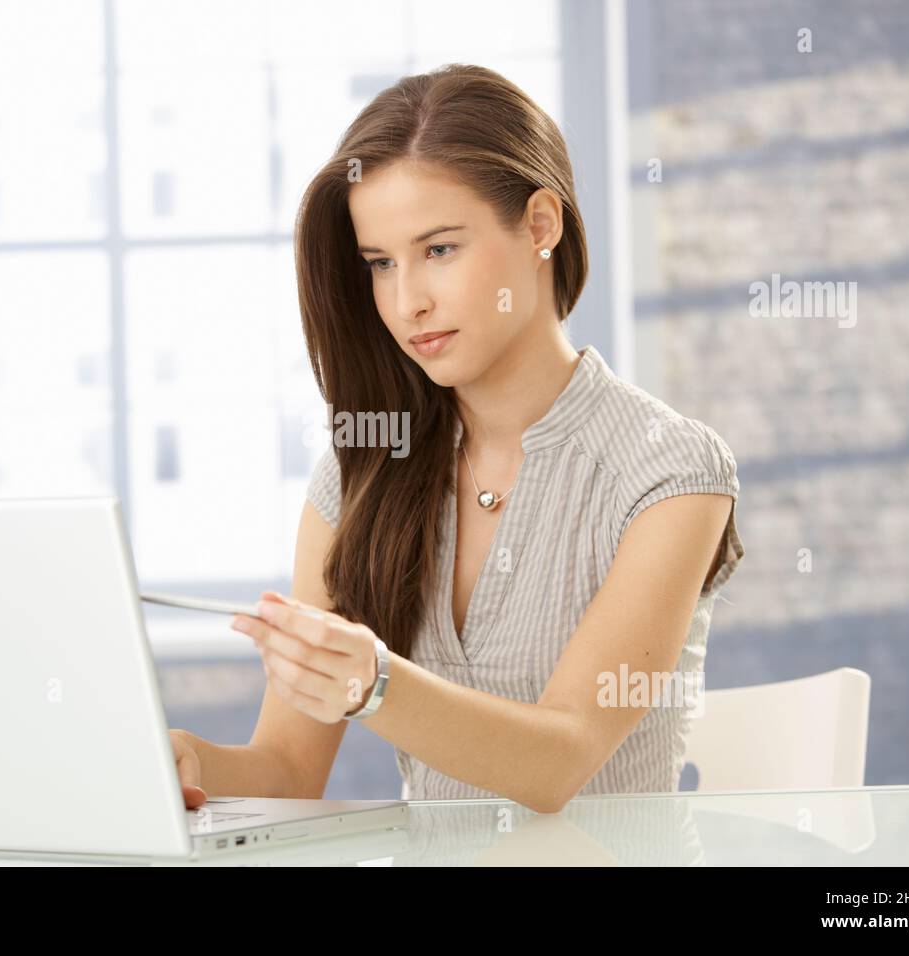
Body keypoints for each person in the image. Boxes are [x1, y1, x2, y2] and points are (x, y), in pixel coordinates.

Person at [171, 63, 745, 814]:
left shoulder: (670, 470)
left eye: (439, 250)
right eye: (381, 264)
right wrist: (188, 764)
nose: (407, 301)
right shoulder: (359, 475)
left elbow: (560, 758)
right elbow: (287, 771)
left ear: (540, 225)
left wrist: (374, 684)